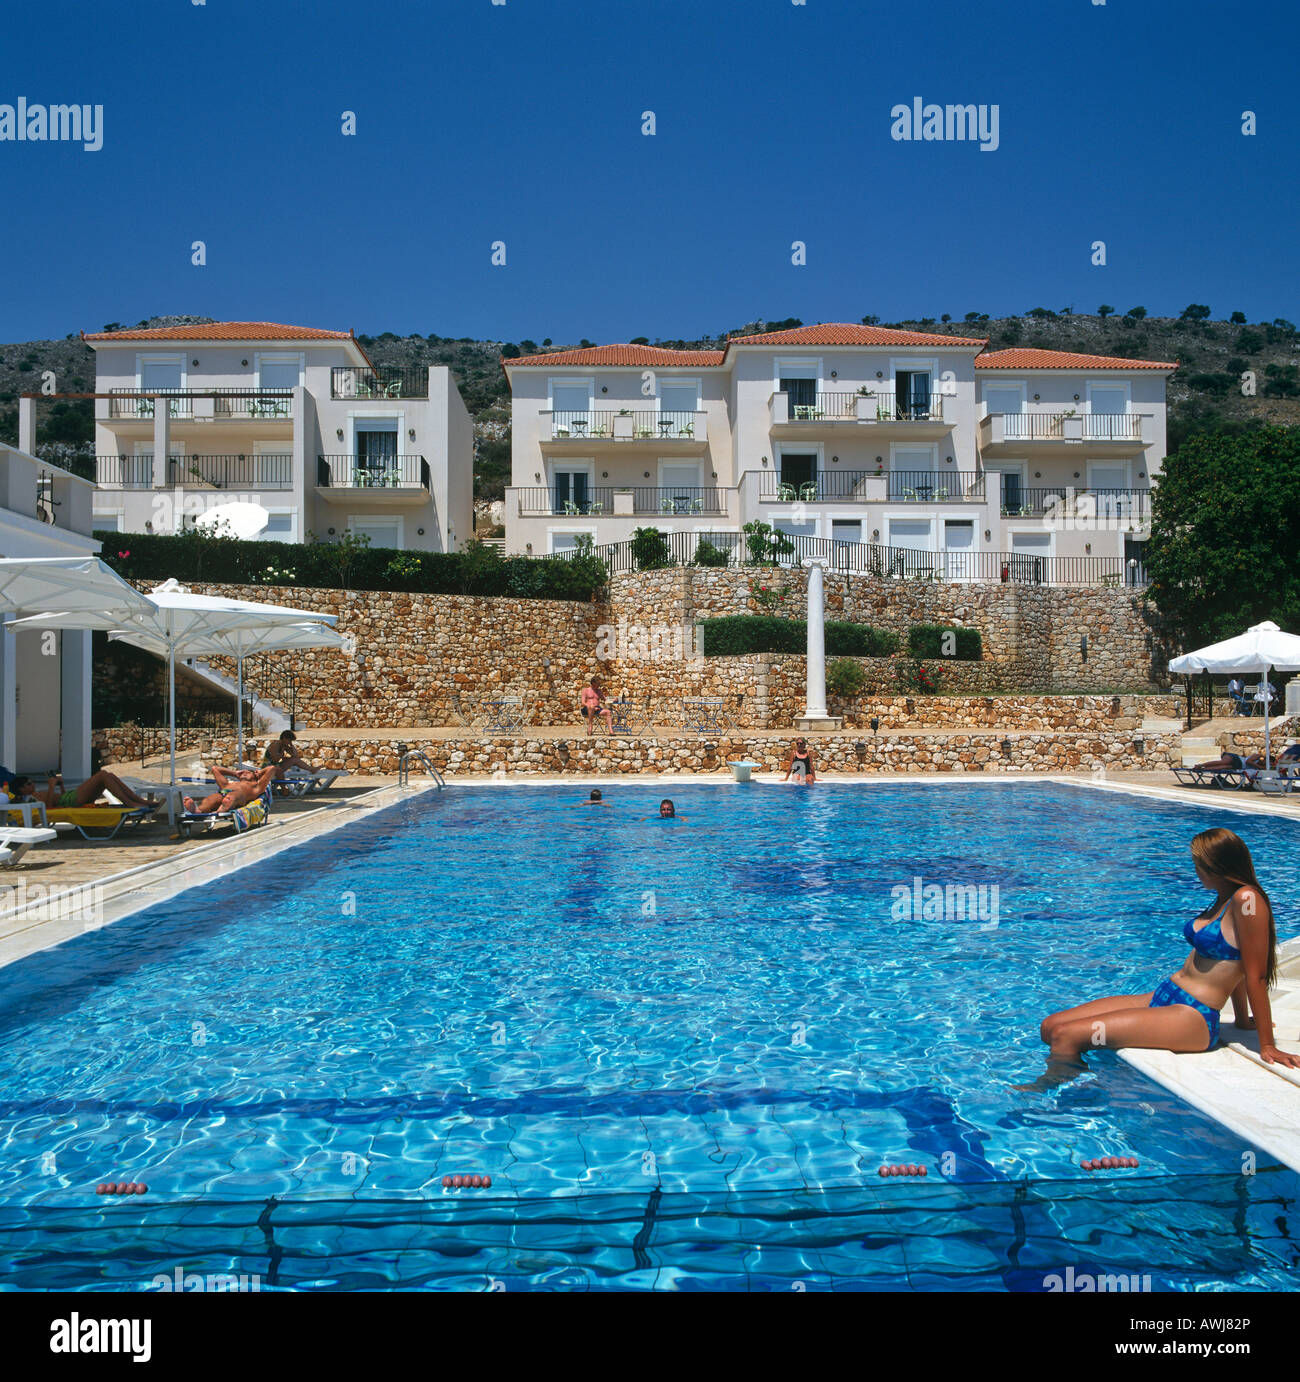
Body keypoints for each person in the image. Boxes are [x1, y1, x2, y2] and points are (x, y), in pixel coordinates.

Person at [1022, 827, 1300, 1090]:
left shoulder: (1247, 899)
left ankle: (1053, 1098)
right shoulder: (1223, 897)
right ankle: (1082, 1077)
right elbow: (1235, 963)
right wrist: (1241, 1019)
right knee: (1051, 1026)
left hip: (1193, 1017)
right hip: (1164, 996)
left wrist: (1267, 1044)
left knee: (1066, 1035)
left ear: (1218, 865)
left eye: (1199, 864)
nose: (1196, 870)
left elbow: (1255, 973)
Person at [18, 770, 158, 812]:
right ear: (22, 788)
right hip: (74, 800)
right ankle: (131, 802)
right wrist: (50, 787)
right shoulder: (32, 800)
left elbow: (59, 799)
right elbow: (48, 808)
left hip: (70, 798)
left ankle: (138, 801)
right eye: (29, 783)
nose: (33, 784)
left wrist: (59, 786)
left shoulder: (36, 795)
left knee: (108, 776)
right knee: (102, 775)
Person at [184, 764, 277, 816]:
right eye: (243, 773)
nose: (244, 773)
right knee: (211, 798)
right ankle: (198, 811)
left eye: (248, 772)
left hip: (240, 797)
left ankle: (223, 809)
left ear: (255, 776)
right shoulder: (229, 784)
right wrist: (235, 773)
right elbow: (215, 769)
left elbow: (271, 768)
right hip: (224, 793)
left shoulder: (257, 786)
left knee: (232, 796)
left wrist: (259, 772)